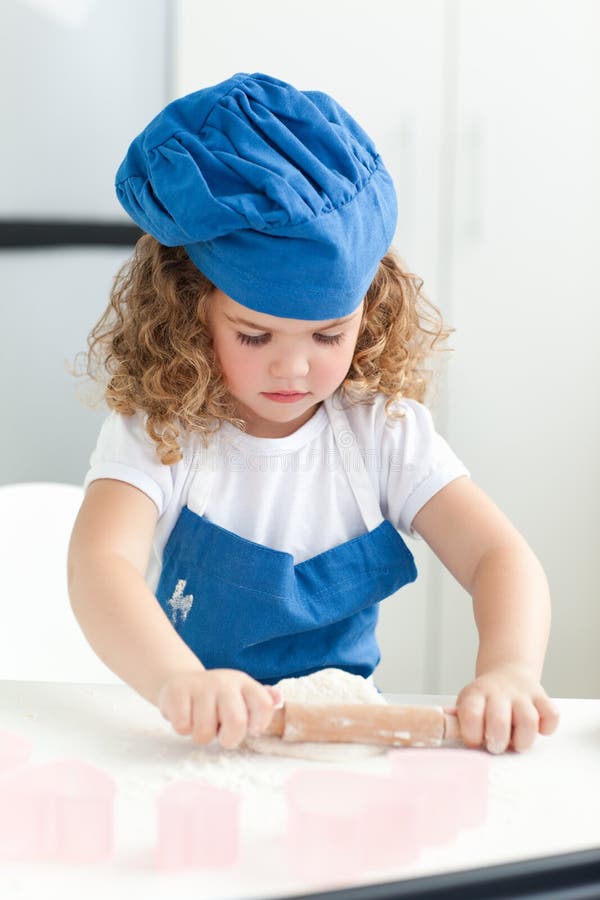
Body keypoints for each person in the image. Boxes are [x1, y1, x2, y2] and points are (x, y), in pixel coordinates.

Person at [68, 71, 559, 755]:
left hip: (341, 749)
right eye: (254, 335)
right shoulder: (167, 431)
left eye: (329, 335)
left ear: (371, 309)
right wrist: (178, 680)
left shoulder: (382, 434)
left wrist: (509, 669)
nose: (294, 369)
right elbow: (100, 566)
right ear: (188, 308)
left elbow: (500, 556)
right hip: (193, 744)